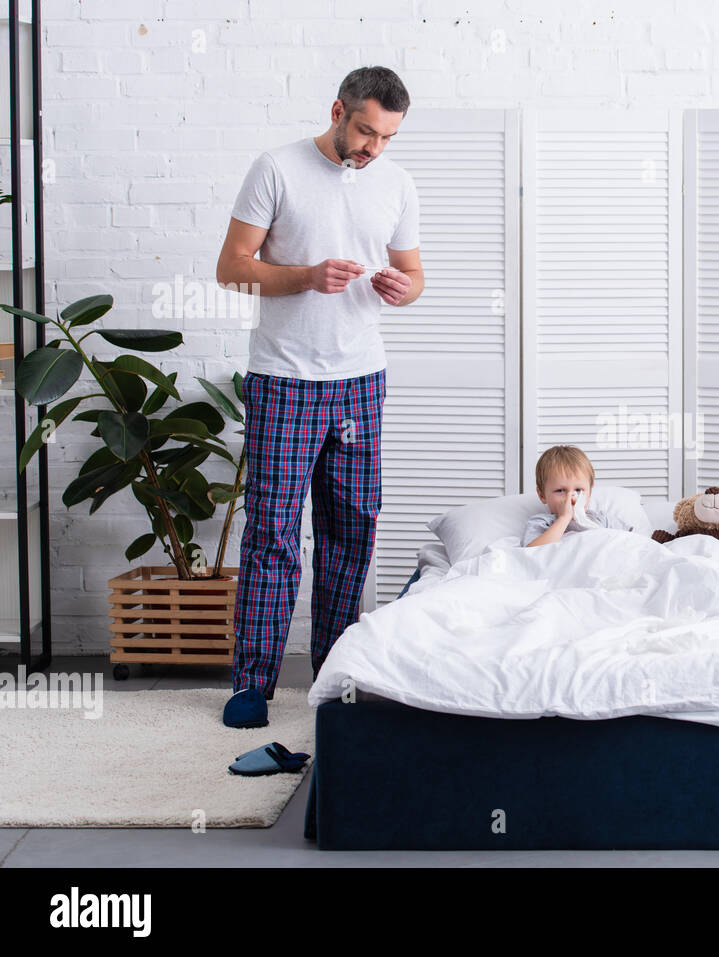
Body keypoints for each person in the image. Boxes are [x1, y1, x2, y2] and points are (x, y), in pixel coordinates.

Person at [214, 66, 425, 728]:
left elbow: (415, 273)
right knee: (274, 532)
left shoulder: (396, 182)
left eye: (386, 137)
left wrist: (404, 288)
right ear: (337, 110)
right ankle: (254, 682)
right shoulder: (275, 168)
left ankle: (336, 674)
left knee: (351, 529)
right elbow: (231, 269)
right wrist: (305, 276)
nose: (372, 149)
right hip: (283, 379)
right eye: (365, 131)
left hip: (361, 381)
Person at [523, 446, 632, 547]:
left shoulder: (601, 518)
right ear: (542, 495)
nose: (571, 497)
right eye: (560, 491)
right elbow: (532, 550)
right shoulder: (542, 522)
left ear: (589, 492)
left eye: (578, 490)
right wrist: (564, 518)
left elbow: (633, 540)